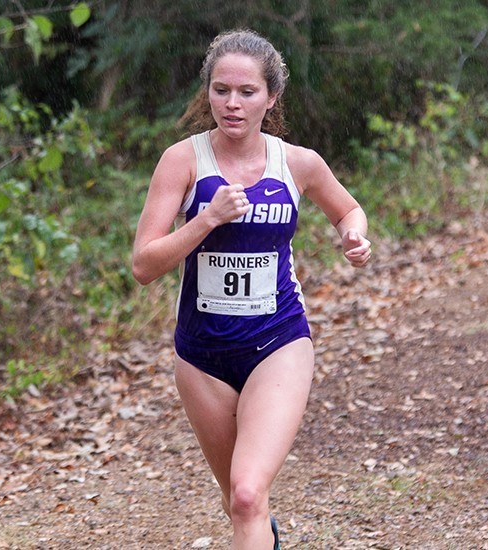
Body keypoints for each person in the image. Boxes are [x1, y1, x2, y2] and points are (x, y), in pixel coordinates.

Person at [131, 29, 371, 549]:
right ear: (207, 93)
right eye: (221, 90)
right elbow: (144, 265)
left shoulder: (298, 163)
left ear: (271, 97)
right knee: (236, 499)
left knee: (246, 494)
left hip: (278, 340)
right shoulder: (183, 161)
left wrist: (354, 234)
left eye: (246, 92)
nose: (232, 104)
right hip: (202, 354)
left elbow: (347, 208)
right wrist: (204, 221)